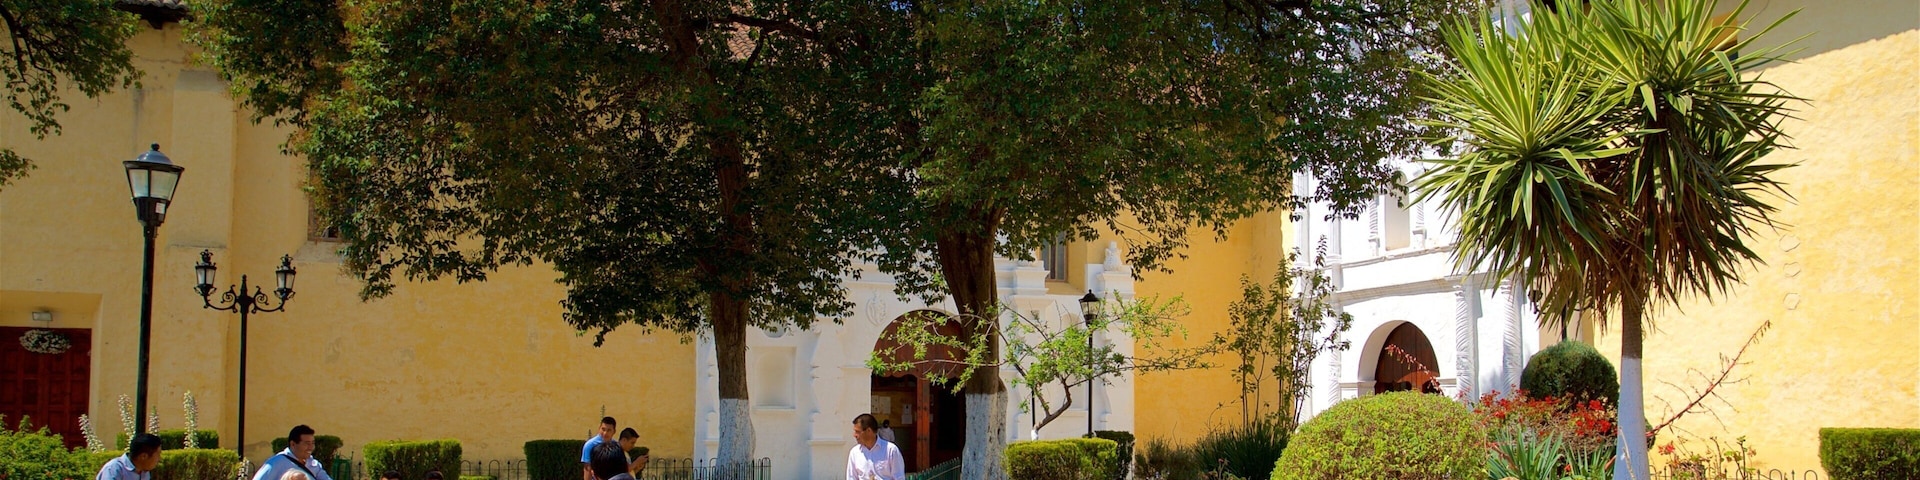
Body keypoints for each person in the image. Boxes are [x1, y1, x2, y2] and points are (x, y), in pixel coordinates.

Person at [255, 425, 334, 480]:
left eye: (313, 443)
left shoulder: (314, 464)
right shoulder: (276, 463)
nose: (311, 447)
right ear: (293, 444)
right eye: (307, 443)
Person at [845, 413, 904, 480]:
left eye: (857, 432)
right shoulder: (855, 453)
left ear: (869, 431)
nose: (854, 435)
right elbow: (851, 477)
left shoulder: (891, 450)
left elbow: (899, 477)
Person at [96, 433, 161, 480]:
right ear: (143, 456)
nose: (159, 459)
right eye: (158, 454)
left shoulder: (144, 472)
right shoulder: (114, 469)